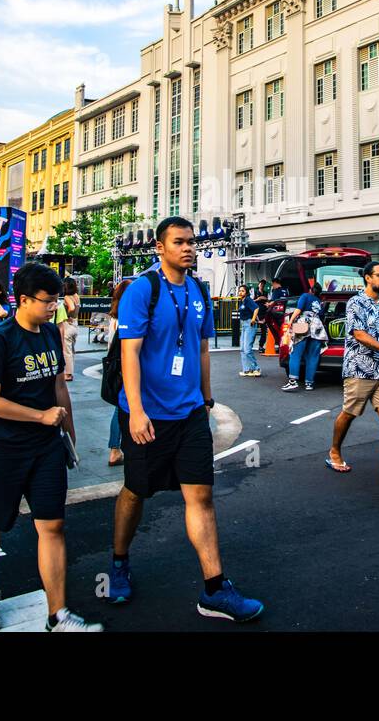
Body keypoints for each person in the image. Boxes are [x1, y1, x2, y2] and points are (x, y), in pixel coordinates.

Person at [108, 216, 263, 622]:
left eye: (191, 242)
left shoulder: (198, 289)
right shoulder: (142, 290)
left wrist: (207, 401)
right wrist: (137, 411)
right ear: (160, 247)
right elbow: (130, 353)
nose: (189, 248)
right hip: (148, 415)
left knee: (201, 497)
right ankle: (119, 561)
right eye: (179, 242)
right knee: (135, 492)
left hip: (191, 413)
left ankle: (215, 589)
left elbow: (202, 349)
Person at [0, 262, 101, 632]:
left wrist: (69, 435)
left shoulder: (48, 334)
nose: (53, 307)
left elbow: (59, 388)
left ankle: (58, 614)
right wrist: (39, 416)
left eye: (56, 300)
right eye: (47, 301)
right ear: (23, 299)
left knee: (53, 525)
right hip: (5, 448)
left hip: (46, 448)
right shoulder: (0, 338)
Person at [326, 261, 379, 482]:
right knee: (350, 413)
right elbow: (359, 334)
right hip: (359, 368)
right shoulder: (356, 303)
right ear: (368, 277)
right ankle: (335, 451)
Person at [282, 281, 326, 391]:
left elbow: (298, 310)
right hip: (317, 325)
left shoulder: (305, 296)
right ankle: (309, 383)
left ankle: (293, 381)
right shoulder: (320, 302)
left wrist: (291, 322)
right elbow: (322, 315)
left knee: (295, 353)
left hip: (302, 323)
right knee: (313, 356)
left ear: (311, 290)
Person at [105, 278, 131, 467]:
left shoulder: (115, 316)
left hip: (116, 365)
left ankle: (116, 447)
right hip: (125, 365)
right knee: (121, 406)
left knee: (121, 405)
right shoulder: (128, 315)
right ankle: (115, 448)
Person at [236, 284, 261, 377]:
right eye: (239, 290)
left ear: (246, 292)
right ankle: (246, 369)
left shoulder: (248, 300)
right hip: (244, 325)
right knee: (242, 348)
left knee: (247, 349)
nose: (240, 292)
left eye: (242, 291)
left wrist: (254, 319)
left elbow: (256, 308)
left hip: (249, 324)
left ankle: (256, 368)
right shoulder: (242, 301)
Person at [60, 279, 80, 383]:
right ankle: (70, 372)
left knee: (66, 350)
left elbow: (71, 308)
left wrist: (67, 315)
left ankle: (68, 374)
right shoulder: (76, 296)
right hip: (75, 325)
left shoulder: (67, 297)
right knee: (71, 351)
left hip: (68, 325)